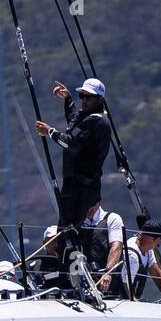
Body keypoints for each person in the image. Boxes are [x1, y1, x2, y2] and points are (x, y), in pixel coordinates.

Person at [36, 78, 112, 278]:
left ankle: (71, 280)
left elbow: (72, 143)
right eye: (81, 96)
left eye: (88, 97)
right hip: (74, 186)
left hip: (82, 187)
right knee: (66, 232)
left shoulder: (98, 122)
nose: (83, 100)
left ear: (100, 99)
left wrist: (50, 132)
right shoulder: (88, 118)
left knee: (68, 233)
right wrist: (68, 100)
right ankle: (70, 277)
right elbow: (74, 125)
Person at [110, 219, 161, 304]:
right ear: (153, 240)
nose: (156, 246)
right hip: (121, 301)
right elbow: (125, 283)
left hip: (132, 299)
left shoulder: (148, 250)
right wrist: (135, 303)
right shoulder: (132, 255)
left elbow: (156, 272)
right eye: (157, 244)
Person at [76, 201, 125, 293]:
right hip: (85, 277)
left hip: (107, 278)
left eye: (92, 205)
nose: (89, 209)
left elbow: (116, 247)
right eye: (86, 206)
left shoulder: (112, 218)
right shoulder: (79, 223)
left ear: (99, 203)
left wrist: (108, 272)